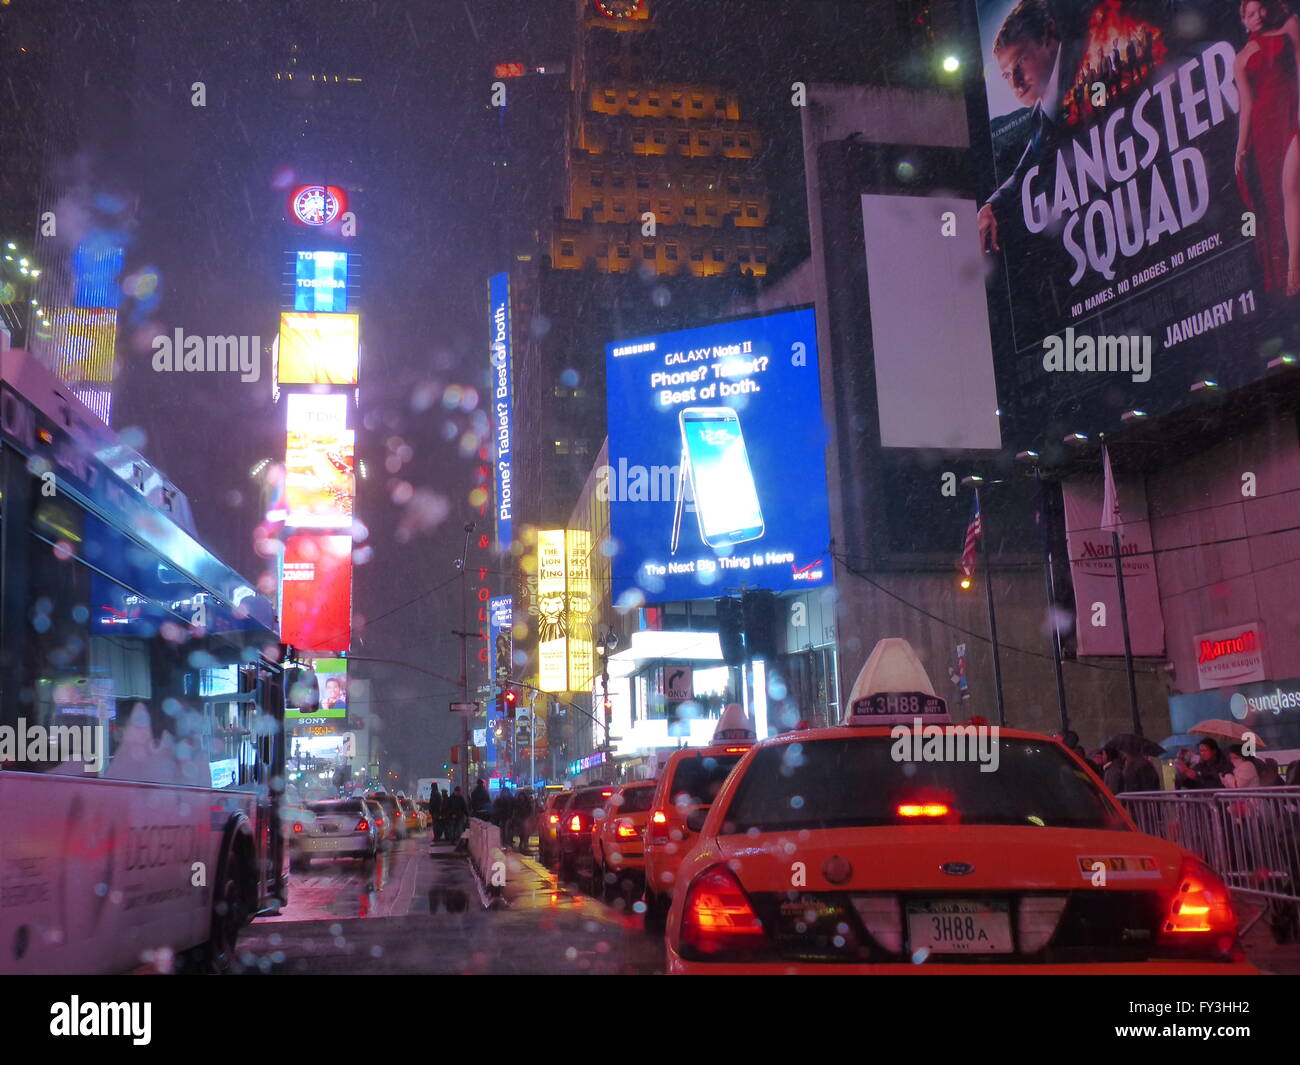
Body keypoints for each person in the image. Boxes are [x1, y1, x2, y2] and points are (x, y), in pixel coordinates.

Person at [1233, 0, 1300, 296]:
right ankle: (1292, 275)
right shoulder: (1240, 58)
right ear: (1243, 20)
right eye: (1249, 13)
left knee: (1291, 188)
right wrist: (1240, 147)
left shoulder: (1290, 26)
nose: (1257, 15)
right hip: (1264, 128)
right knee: (1280, 199)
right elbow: (1246, 106)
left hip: (1291, 111)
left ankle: (1293, 273)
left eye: (1260, 9)